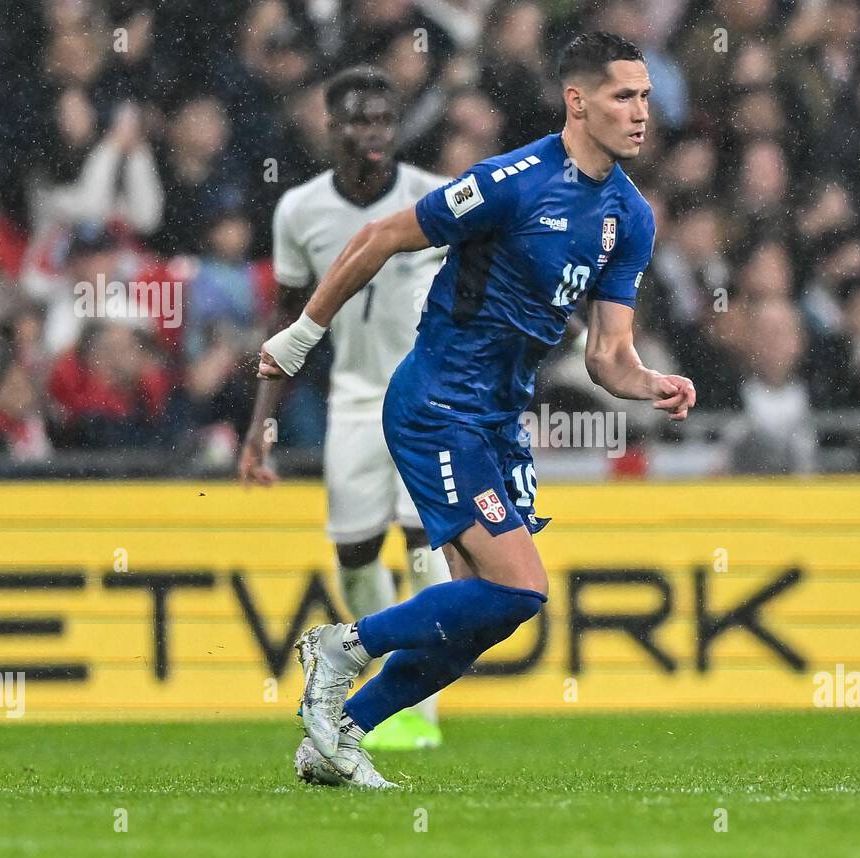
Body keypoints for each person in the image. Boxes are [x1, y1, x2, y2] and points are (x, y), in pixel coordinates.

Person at [259, 32, 696, 788]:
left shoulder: (629, 217)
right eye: (624, 96)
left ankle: (339, 735)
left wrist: (648, 379)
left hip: (497, 423)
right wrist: (303, 334)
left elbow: (605, 355)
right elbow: (380, 235)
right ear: (578, 101)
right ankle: (341, 647)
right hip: (436, 403)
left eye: (646, 97)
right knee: (522, 585)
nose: (640, 113)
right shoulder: (512, 180)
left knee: (482, 614)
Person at [239, 66, 454, 753]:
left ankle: (420, 707)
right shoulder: (300, 212)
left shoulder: (433, 199)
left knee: (427, 548)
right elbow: (286, 317)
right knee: (356, 556)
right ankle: (393, 657)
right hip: (355, 402)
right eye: (356, 119)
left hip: (429, 396)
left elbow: (485, 280)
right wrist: (259, 429)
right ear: (328, 127)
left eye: (384, 119)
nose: (371, 132)